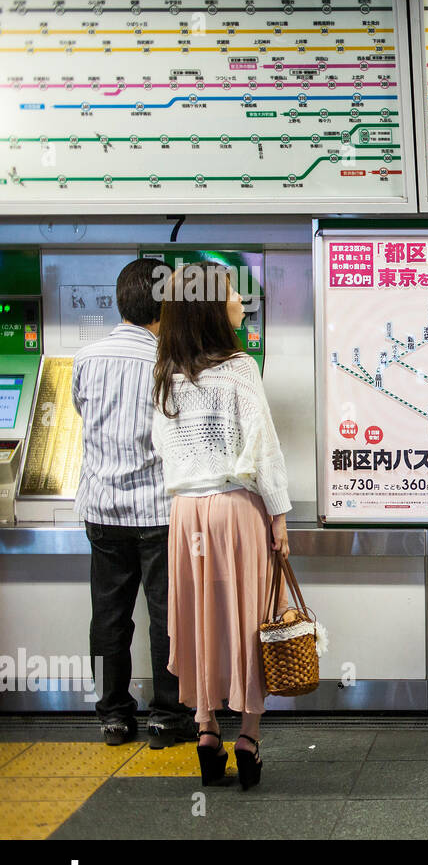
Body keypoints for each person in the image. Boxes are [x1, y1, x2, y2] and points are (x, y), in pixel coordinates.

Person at [152, 262, 291, 789]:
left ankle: (206, 731)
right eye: (234, 295)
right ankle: (248, 739)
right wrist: (278, 515)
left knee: (199, 614)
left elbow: (158, 446)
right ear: (211, 307)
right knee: (250, 616)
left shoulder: (164, 372)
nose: (240, 303)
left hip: (186, 513)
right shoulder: (239, 369)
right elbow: (264, 452)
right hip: (236, 509)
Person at [71, 257, 198, 748]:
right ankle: (168, 717)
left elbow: (85, 415)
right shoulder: (170, 363)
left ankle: (113, 716)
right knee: (167, 616)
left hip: (102, 510)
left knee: (108, 617)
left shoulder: (85, 358)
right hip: (158, 512)